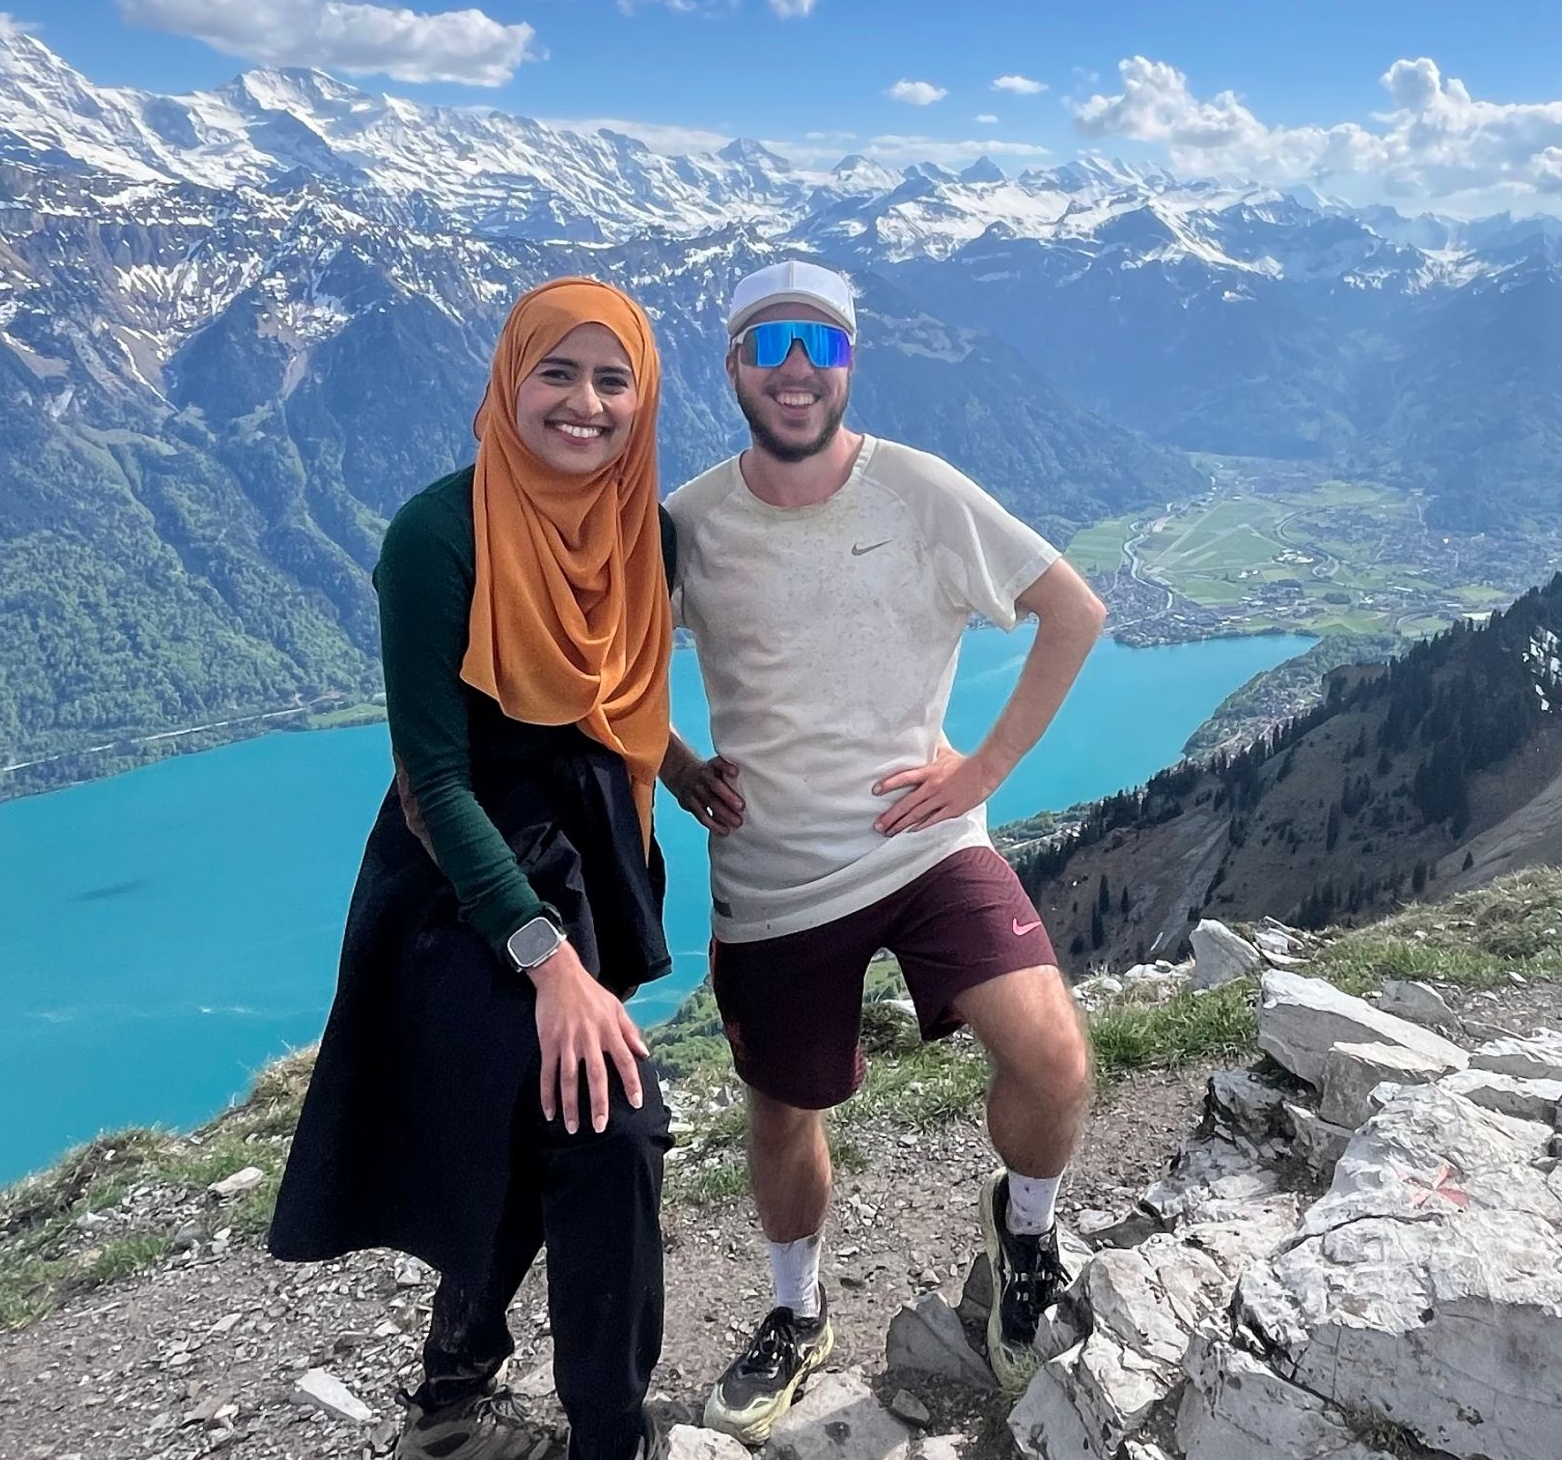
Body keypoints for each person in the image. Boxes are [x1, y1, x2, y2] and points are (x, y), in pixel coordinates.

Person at [659, 260, 1107, 1441]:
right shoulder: (689, 523)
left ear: (850, 360)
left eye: (822, 343)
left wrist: (977, 775)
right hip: (771, 877)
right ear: (735, 368)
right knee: (780, 1116)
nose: (797, 368)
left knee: (1053, 1058)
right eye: (771, 345)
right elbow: (597, 667)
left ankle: (1021, 1233)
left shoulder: (918, 490)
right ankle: (795, 1313)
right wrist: (672, 765)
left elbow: (1074, 612)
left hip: (925, 844)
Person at [270, 278, 677, 1460]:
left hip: (591, 852)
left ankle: (457, 1384)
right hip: (461, 883)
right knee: (607, 1124)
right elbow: (431, 778)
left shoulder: (635, 523)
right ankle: (601, 1433)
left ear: (641, 397)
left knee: (546, 1117)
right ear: (510, 379)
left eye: (614, 379)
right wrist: (547, 960)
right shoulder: (437, 534)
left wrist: (680, 761)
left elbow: (596, 686)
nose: (585, 403)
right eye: (558, 372)